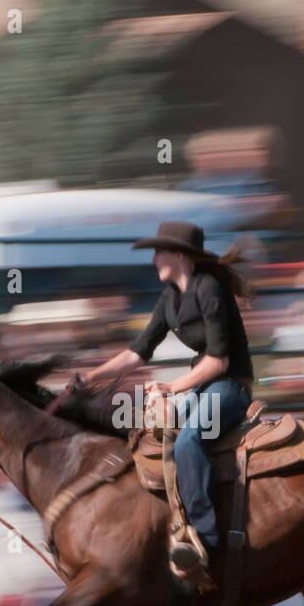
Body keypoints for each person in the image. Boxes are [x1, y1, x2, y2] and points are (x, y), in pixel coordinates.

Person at [79, 221, 254, 581]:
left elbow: (219, 362)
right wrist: (92, 377)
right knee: (152, 433)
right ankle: (173, 522)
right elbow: (137, 353)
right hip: (202, 387)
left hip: (230, 388)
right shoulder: (169, 299)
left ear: (178, 255)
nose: (154, 259)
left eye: (159, 252)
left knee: (189, 440)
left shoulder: (209, 289)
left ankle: (205, 538)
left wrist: (171, 389)